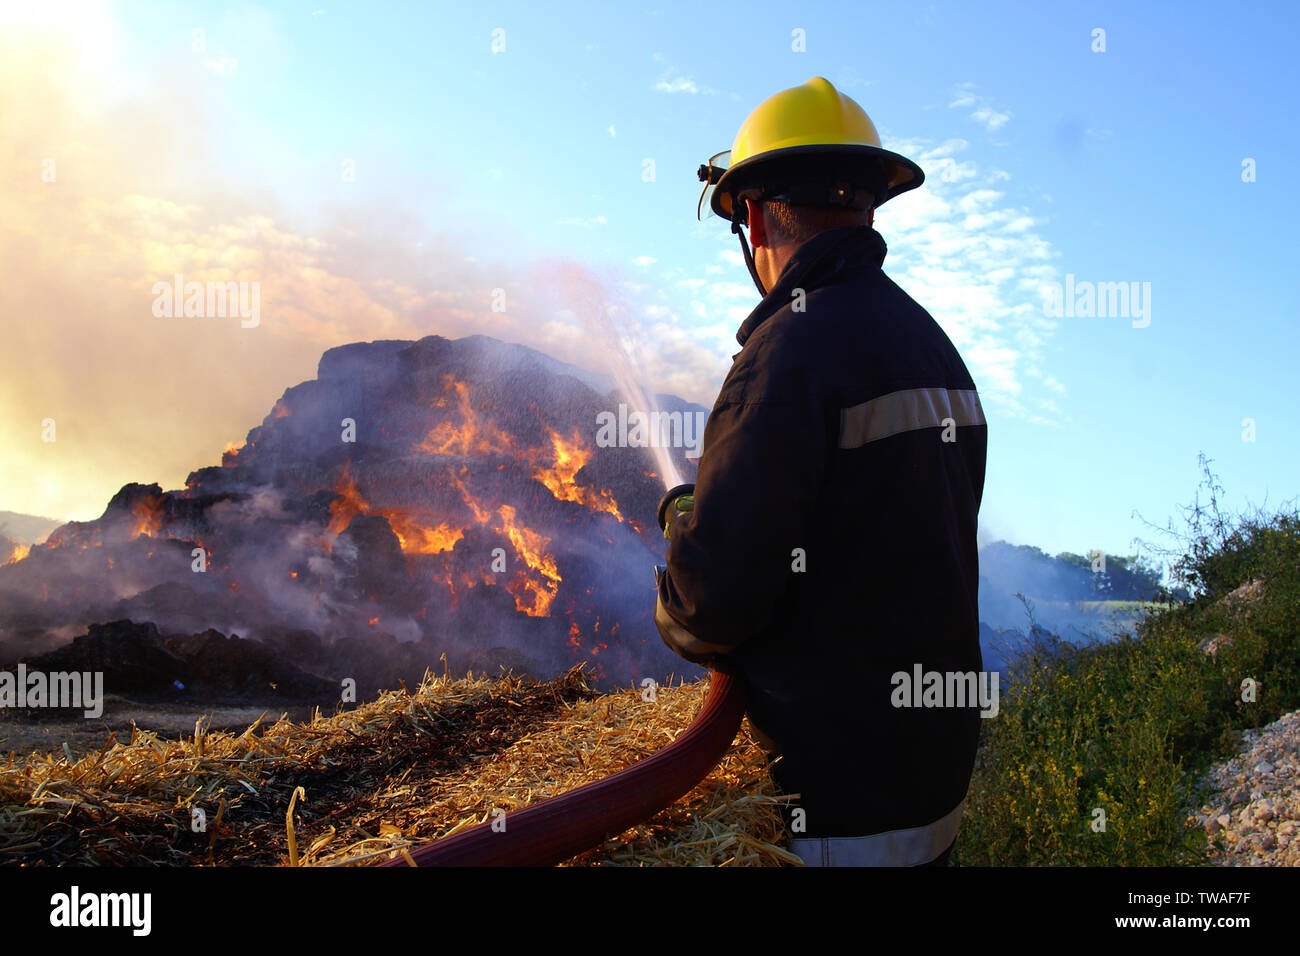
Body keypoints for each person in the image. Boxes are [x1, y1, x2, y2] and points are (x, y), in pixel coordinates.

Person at [654, 77, 988, 867]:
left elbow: (709, 609)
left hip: (833, 809)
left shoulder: (786, 358)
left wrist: (683, 535)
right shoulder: (934, 344)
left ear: (754, 217)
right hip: (929, 791)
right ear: (869, 210)